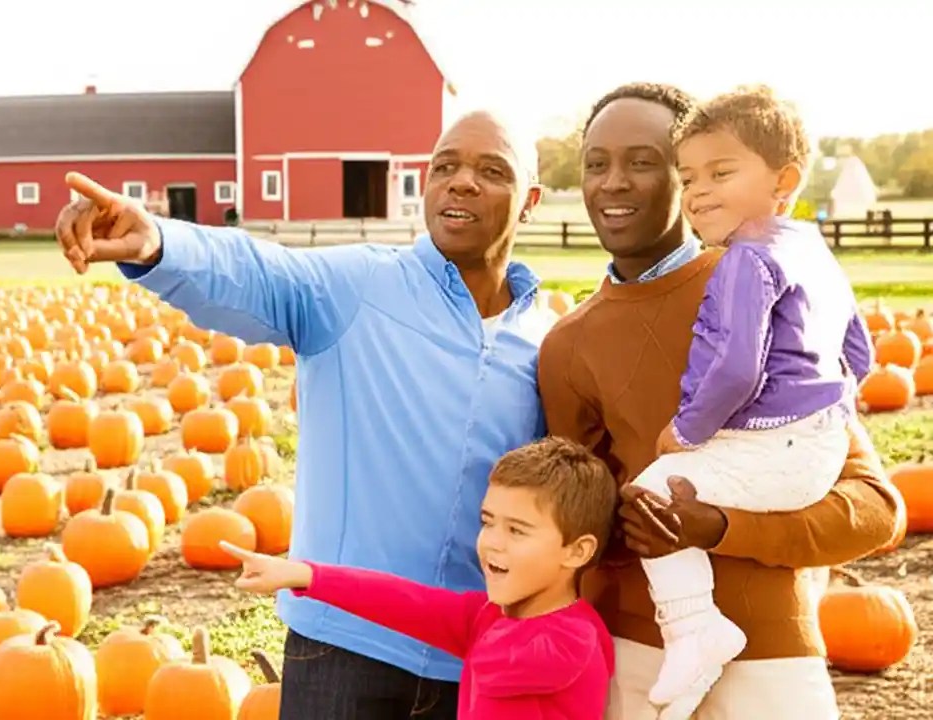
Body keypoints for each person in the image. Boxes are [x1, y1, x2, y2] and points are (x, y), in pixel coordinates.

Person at [55, 110, 550, 719]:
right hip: (345, 644)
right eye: (444, 166)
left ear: (529, 201)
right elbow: (259, 271)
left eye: (490, 170)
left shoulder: (547, 339)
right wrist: (160, 243)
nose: (461, 182)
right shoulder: (357, 286)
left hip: (477, 651)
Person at [537, 82, 901, 720]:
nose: (613, 183)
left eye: (643, 161)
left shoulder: (765, 286)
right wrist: (613, 531)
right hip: (634, 658)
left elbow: (876, 509)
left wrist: (725, 529)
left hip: (772, 656)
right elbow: (579, 524)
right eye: (596, 164)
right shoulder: (567, 344)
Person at [628, 85, 877, 717]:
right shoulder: (812, 249)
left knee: (656, 489)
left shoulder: (746, 258)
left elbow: (736, 366)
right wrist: (835, 405)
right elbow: (860, 349)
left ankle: (693, 627)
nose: (699, 191)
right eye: (688, 177)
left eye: (721, 172)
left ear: (783, 179)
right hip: (817, 442)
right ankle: (695, 643)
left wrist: (684, 430)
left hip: (776, 443)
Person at [217, 436, 619, 719]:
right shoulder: (492, 616)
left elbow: (491, 660)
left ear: (577, 550)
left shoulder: (571, 640)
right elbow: (404, 601)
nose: (492, 543)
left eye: (517, 530)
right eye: (487, 522)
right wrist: (307, 574)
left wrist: (458, 624)